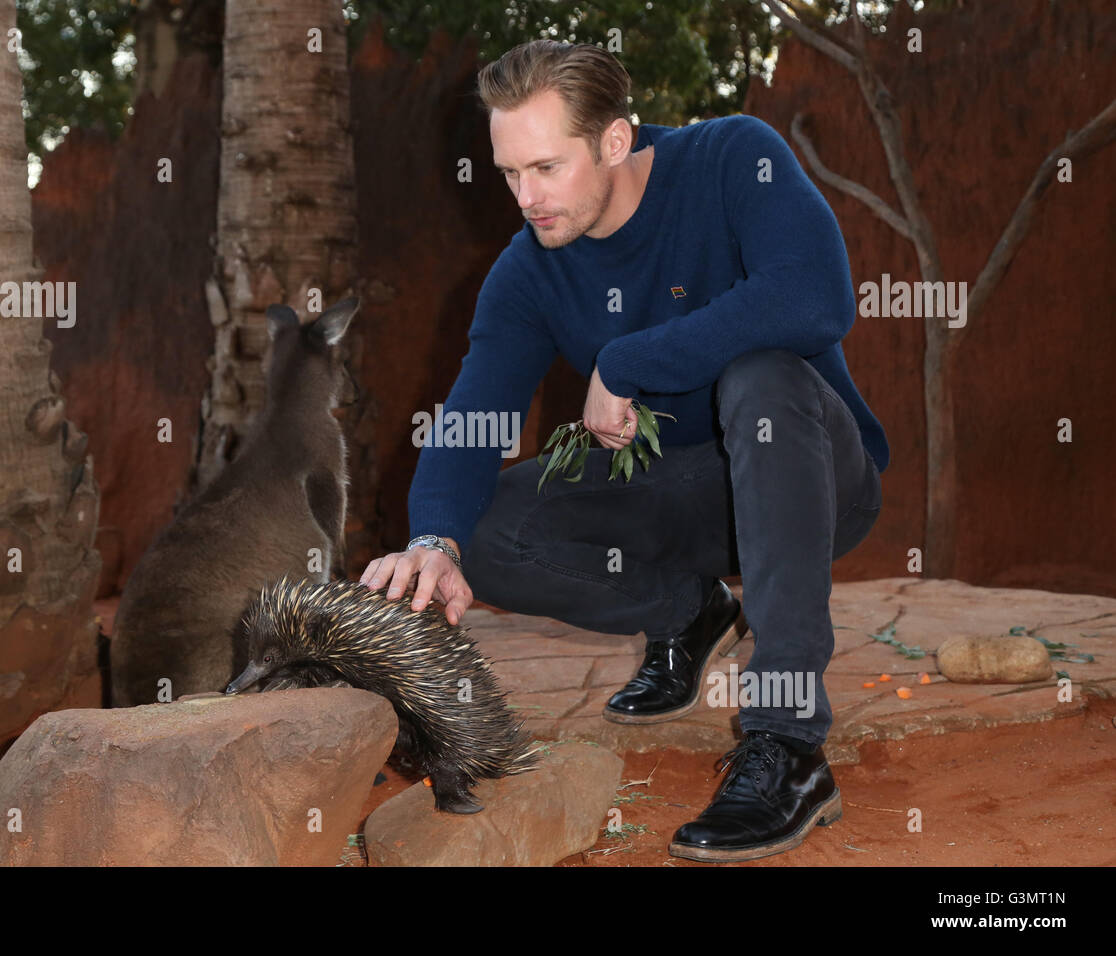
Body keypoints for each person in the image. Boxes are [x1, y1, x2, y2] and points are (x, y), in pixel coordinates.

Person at [359, 39, 887, 862]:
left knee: (761, 376)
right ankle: (690, 613)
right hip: (679, 496)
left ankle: (787, 748)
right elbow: (473, 415)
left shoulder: (731, 157)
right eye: (508, 174)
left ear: (613, 140)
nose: (526, 200)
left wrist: (626, 359)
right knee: (490, 529)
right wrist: (432, 537)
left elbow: (813, 294)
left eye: (545, 168)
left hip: (811, 471)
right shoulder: (530, 270)